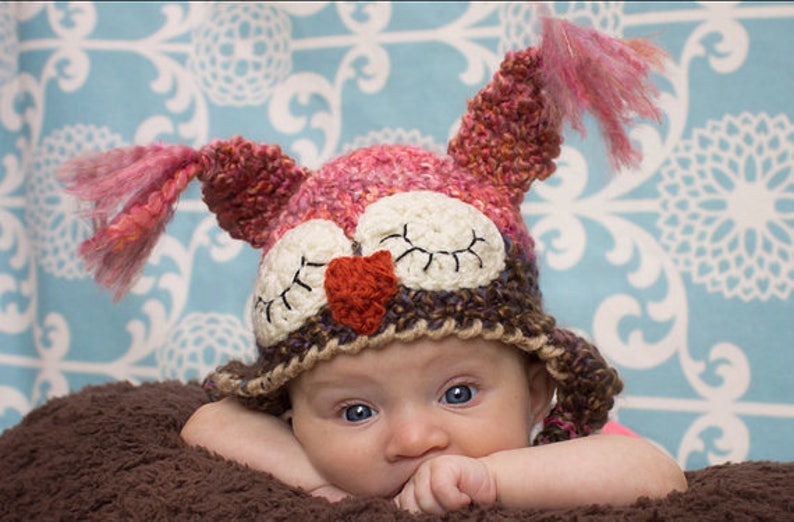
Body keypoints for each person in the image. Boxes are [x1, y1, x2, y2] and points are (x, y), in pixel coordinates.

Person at [59, 16, 686, 515]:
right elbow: (210, 422)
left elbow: (654, 473)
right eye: (355, 411)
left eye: (459, 393)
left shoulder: (553, 453)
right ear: (290, 411)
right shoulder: (318, 463)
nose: (413, 440)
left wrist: (491, 478)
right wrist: (315, 476)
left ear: (535, 392)